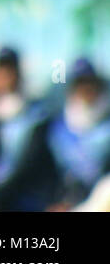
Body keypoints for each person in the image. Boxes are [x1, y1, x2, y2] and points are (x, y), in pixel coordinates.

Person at [0, 46, 58, 212]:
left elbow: (28, 165)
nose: (6, 78)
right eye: (0, 72)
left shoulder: (37, 116)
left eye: (10, 71)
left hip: (21, 200)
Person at [44, 58, 110, 210]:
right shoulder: (57, 128)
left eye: (89, 83)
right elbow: (48, 173)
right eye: (80, 84)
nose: (85, 89)